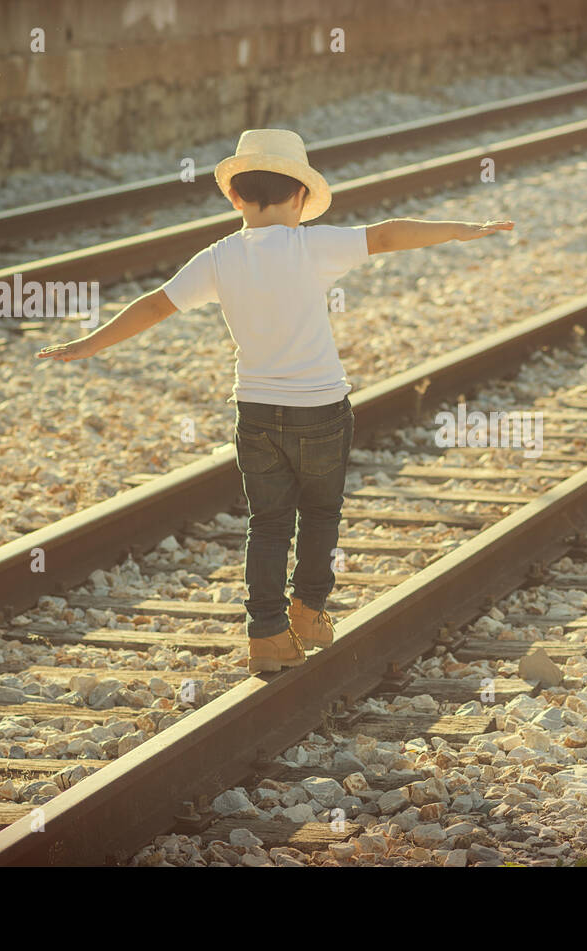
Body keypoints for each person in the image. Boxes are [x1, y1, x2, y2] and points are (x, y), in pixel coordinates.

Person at [38, 128, 513, 673]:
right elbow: (386, 235)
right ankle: (309, 609)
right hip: (322, 411)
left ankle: (265, 635)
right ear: (303, 199)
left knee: (266, 523)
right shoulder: (312, 245)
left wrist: (86, 344)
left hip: (256, 412)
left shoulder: (217, 258)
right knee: (320, 512)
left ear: (236, 198)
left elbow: (154, 306)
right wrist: (461, 230)